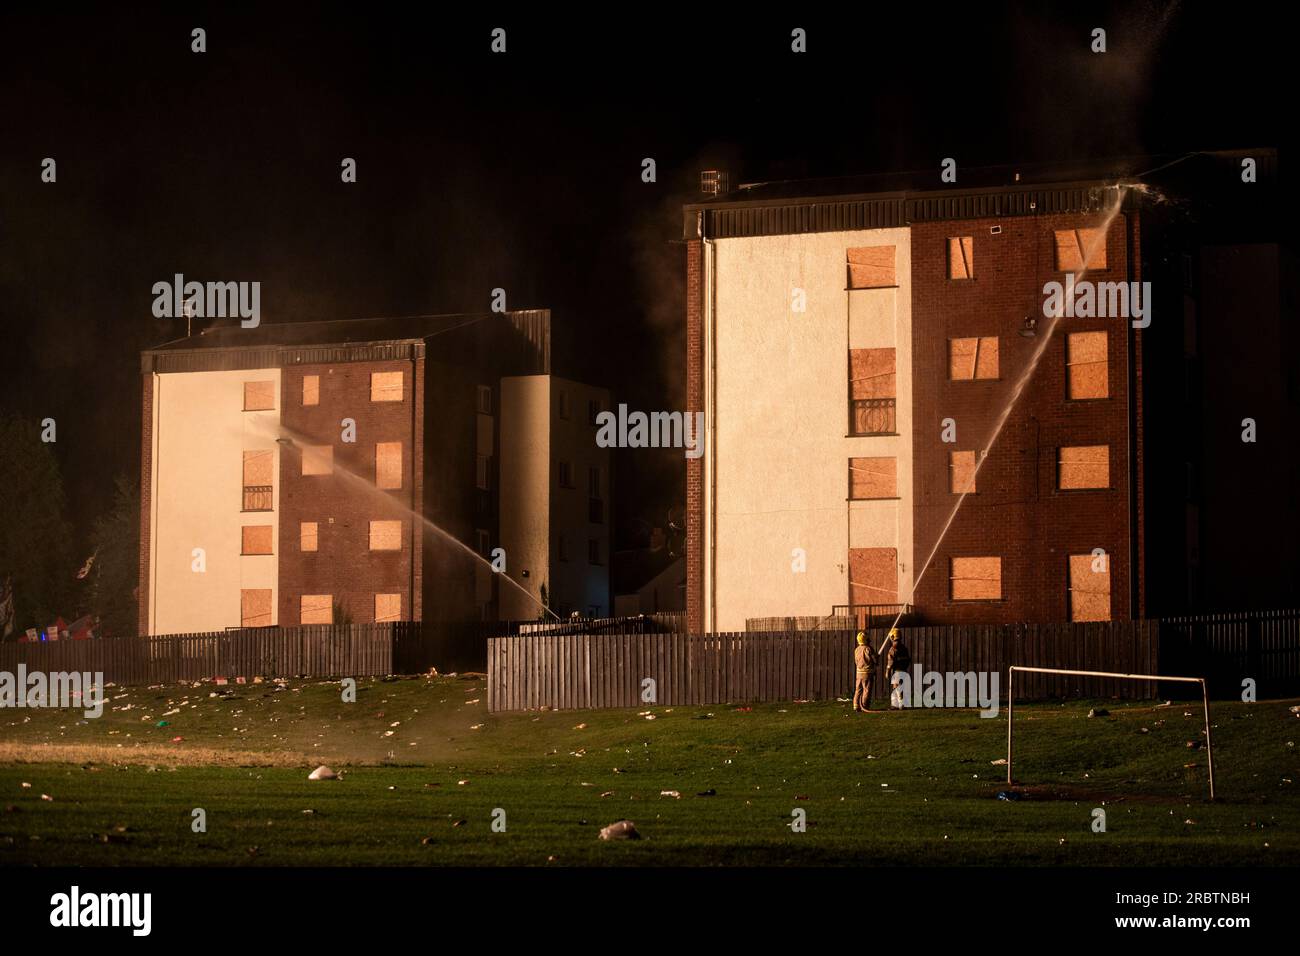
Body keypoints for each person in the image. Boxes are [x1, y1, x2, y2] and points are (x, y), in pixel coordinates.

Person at [852, 631, 876, 712]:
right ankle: (864, 706)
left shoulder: (856, 650)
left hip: (858, 674)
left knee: (858, 689)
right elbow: (875, 660)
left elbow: (856, 661)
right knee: (866, 689)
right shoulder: (868, 649)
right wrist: (877, 658)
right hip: (867, 673)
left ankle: (856, 705)